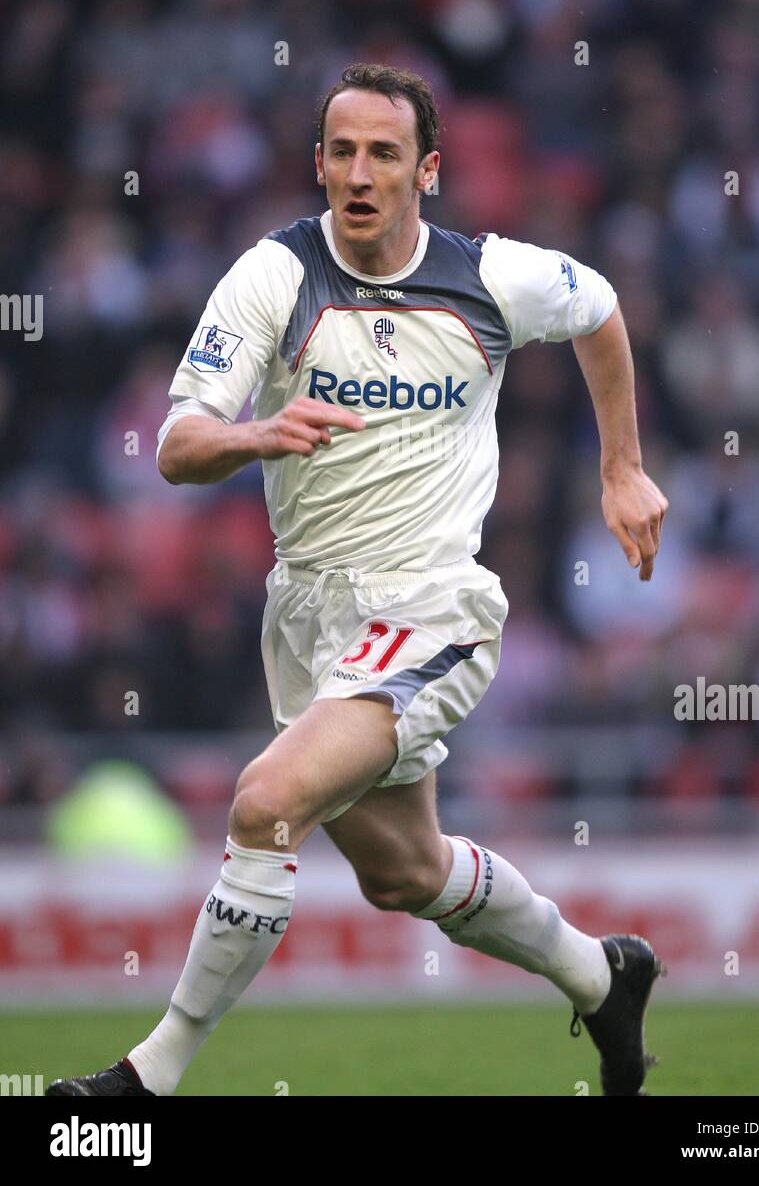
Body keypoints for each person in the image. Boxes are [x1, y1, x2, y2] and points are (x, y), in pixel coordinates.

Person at [47, 63, 668, 1098]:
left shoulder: (490, 276)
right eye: (340, 150)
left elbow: (597, 311)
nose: (359, 172)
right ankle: (600, 979)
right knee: (404, 874)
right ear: (319, 163)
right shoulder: (273, 276)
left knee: (264, 802)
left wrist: (621, 466)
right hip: (306, 611)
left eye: (384, 153)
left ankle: (145, 1081)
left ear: (425, 170)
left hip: (432, 604)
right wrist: (255, 432)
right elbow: (175, 445)